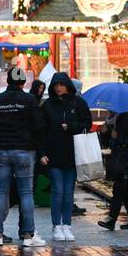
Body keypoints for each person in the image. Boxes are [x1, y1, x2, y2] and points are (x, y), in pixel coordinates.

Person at [0, 66, 46, 247]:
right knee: (26, 193)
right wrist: (36, 148)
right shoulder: (30, 100)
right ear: (23, 82)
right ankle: (27, 235)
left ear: (8, 81)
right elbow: (38, 127)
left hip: (2, 150)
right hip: (24, 152)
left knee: (1, 193)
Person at [38, 72, 91, 242]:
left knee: (68, 193)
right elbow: (41, 131)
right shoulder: (47, 106)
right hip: (54, 155)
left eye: (61, 84)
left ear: (68, 85)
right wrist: (42, 153)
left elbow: (87, 124)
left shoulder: (78, 103)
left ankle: (67, 225)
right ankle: (56, 226)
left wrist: (72, 126)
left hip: (73, 155)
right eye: (56, 85)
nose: (59, 88)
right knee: (58, 191)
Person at [99, 110, 128, 231]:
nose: (109, 110)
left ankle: (112, 219)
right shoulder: (109, 120)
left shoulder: (126, 118)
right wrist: (105, 133)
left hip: (125, 160)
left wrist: (118, 138)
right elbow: (106, 144)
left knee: (118, 189)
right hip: (116, 160)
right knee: (125, 191)